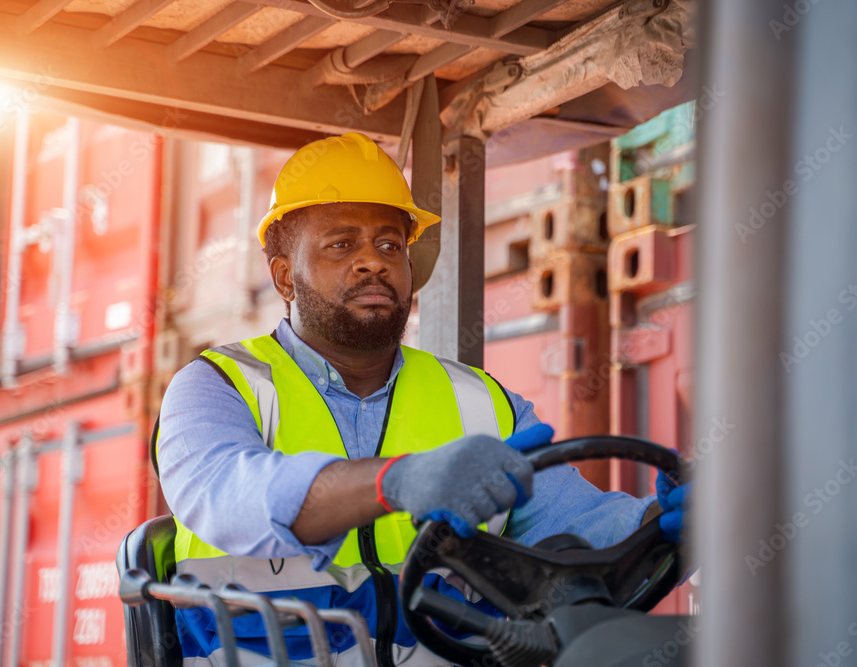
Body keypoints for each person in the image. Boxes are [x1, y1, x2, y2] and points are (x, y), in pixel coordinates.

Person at [154, 132, 689, 667]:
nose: (373, 262)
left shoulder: (481, 402)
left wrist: (669, 528)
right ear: (284, 277)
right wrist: (398, 481)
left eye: (389, 245)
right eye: (342, 244)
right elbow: (232, 498)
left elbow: (582, 539)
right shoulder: (216, 387)